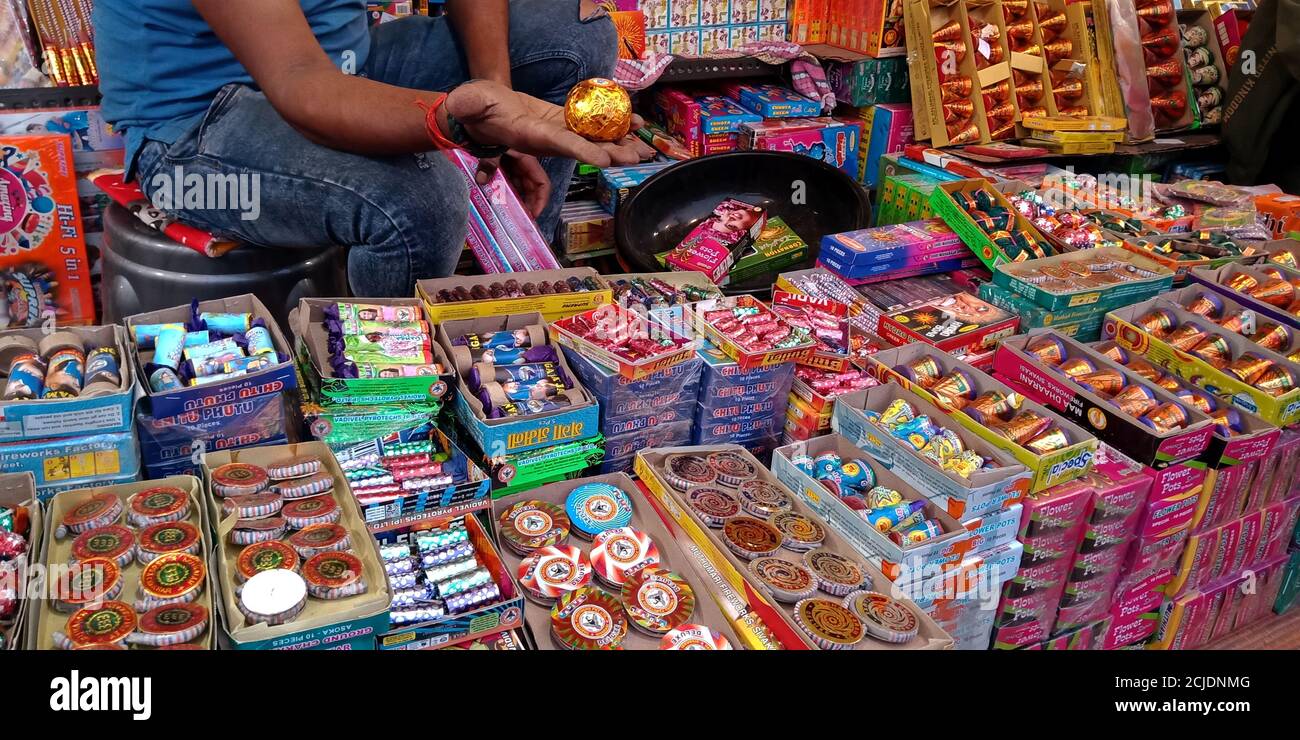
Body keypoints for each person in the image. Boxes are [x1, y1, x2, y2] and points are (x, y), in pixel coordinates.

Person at [93, 0, 652, 296]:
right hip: (192, 128)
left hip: (346, 63)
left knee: (572, 37)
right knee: (419, 195)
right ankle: (391, 390)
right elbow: (301, 83)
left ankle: (519, 280)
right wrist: (469, 123)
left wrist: (500, 94)